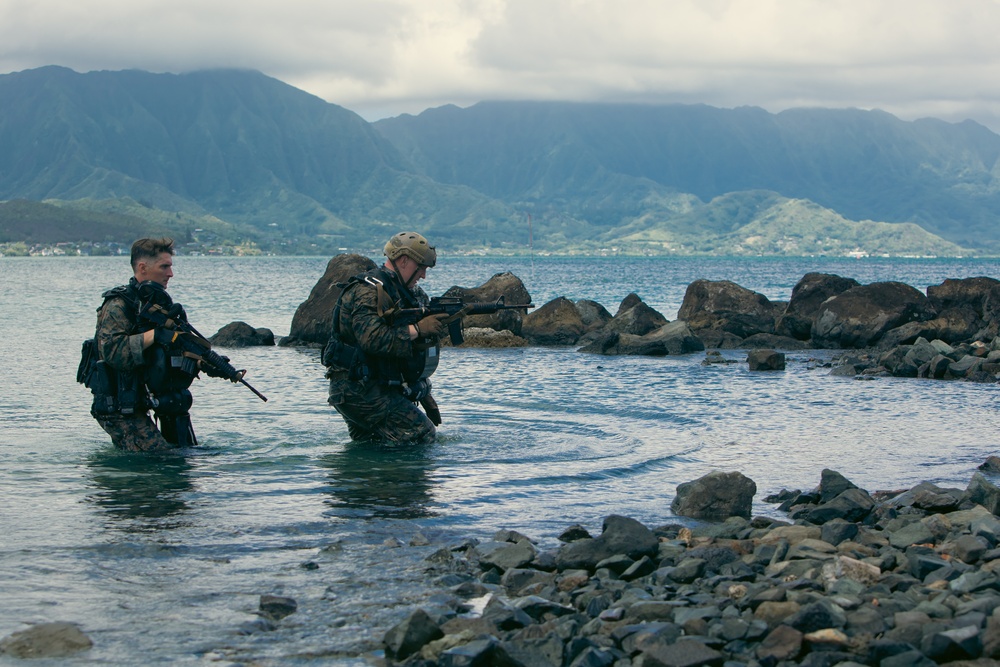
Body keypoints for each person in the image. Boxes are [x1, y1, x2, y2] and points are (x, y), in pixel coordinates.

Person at [87, 237, 221, 451]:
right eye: (164, 267)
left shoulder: (157, 306)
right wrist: (155, 335)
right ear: (143, 268)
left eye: (170, 266)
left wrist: (204, 363)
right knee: (161, 457)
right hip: (119, 406)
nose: (171, 273)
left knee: (186, 452)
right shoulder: (118, 305)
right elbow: (114, 352)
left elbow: (175, 347)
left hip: (149, 398)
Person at [323, 231, 449, 443]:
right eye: (421, 268)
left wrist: (425, 395)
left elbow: (402, 356)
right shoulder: (368, 290)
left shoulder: (404, 293)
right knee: (422, 434)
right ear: (404, 260)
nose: (423, 276)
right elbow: (372, 339)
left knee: (372, 445)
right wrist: (418, 329)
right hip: (358, 389)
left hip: (370, 387)